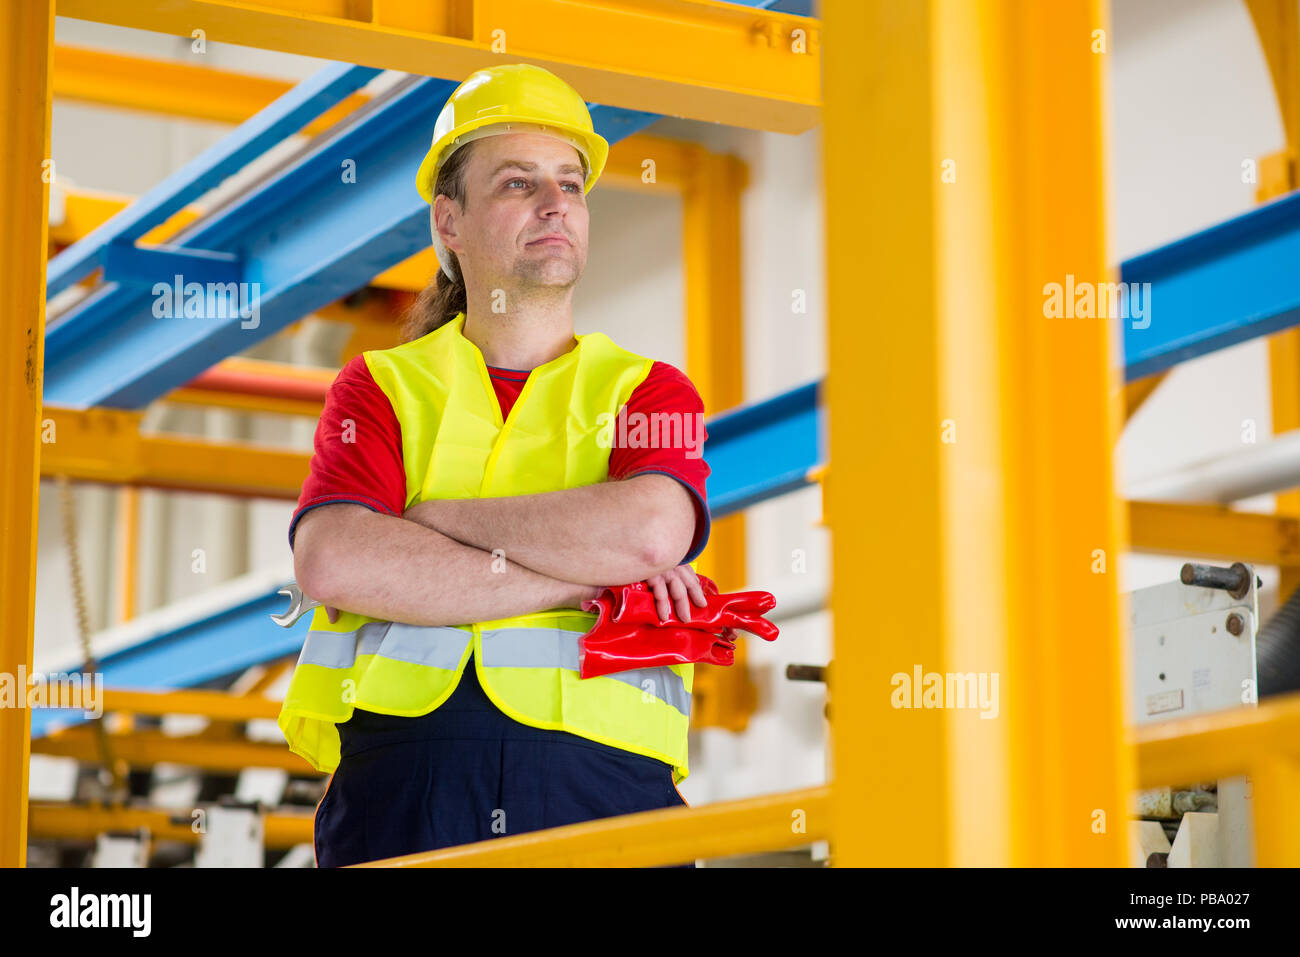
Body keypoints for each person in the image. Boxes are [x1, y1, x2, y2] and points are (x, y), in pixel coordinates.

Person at [275, 63, 713, 867]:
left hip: (607, 794)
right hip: (405, 790)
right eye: (518, 183)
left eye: (570, 184)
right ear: (450, 221)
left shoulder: (648, 387)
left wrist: (433, 520)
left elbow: (652, 537)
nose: (555, 204)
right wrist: (591, 580)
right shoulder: (381, 386)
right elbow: (335, 559)